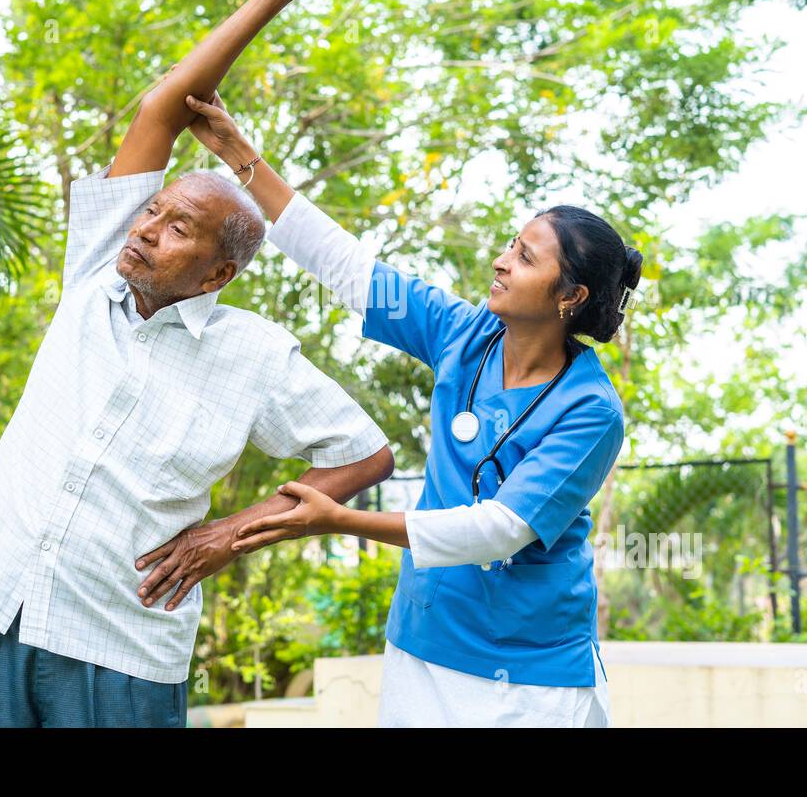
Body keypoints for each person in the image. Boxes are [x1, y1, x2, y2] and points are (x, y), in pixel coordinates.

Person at [0, 0, 392, 728]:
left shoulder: (254, 355)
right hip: (6, 609)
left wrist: (235, 532)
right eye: (152, 211)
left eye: (177, 227)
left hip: (123, 648)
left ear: (219, 271)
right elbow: (167, 105)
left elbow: (364, 456)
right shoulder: (95, 275)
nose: (147, 229)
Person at [158, 85, 642, 727]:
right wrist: (240, 157)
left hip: (529, 677)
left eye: (524, 258)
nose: (499, 262)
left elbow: (497, 529)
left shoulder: (591, 410)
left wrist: (341, 521)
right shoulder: (463, 334)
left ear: (569, 296)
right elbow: (346, 265)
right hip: (425, 644)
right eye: (509, 245)